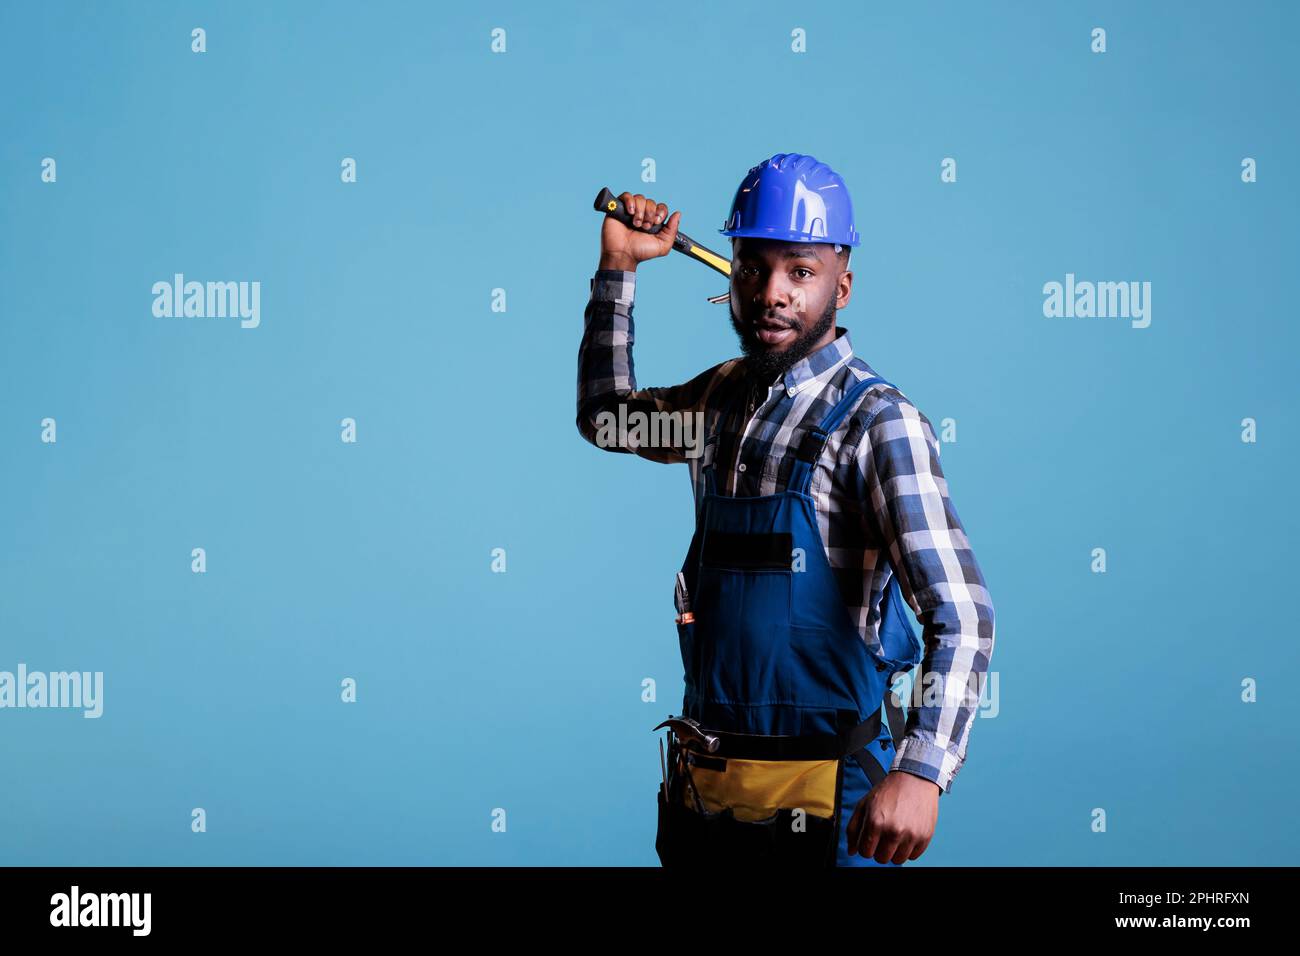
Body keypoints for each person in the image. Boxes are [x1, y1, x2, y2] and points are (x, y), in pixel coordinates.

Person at [576, 153, 996, 866]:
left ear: (844, 285)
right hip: (710, 805)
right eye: (754, 267)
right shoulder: (717, 404)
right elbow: (605, 420)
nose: (773, 292)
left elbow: (962, 612)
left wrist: (922, 768)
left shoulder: (878, 424)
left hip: (831, 810)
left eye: (800, 271)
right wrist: (619, 271)